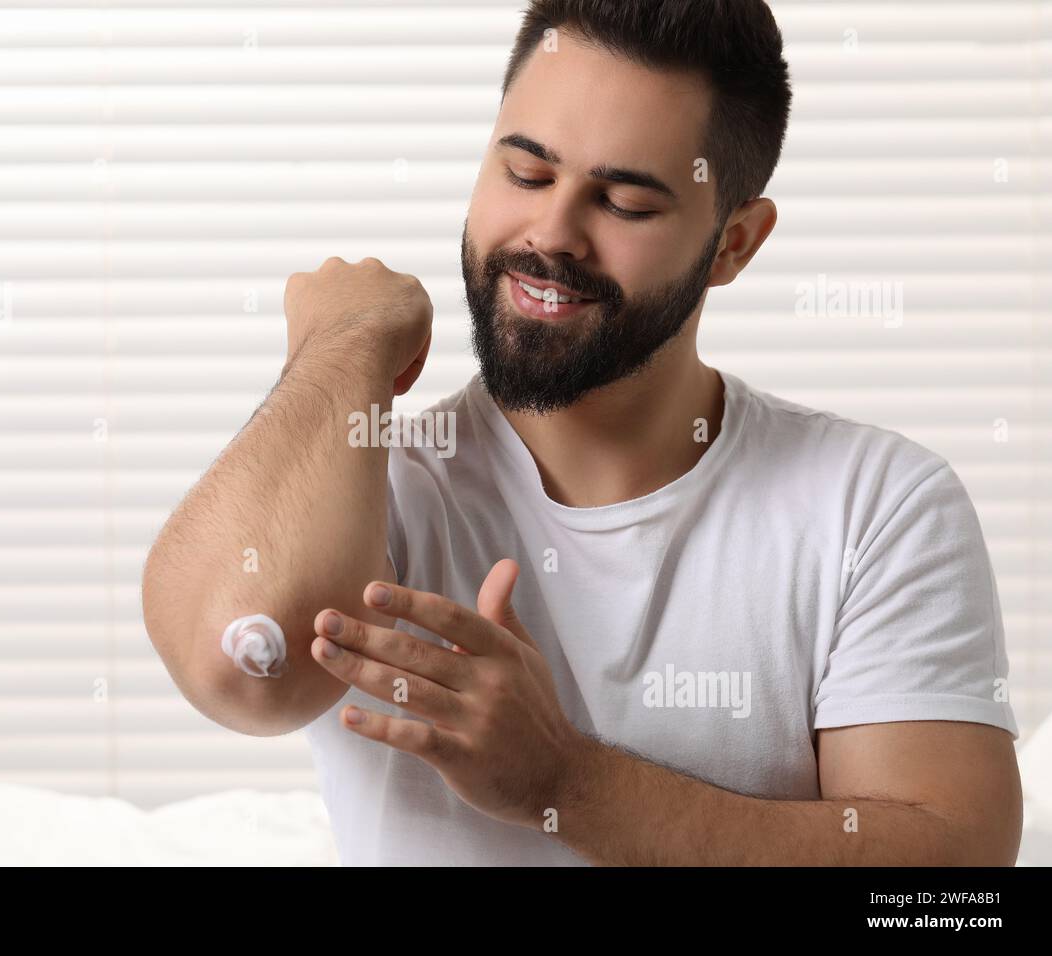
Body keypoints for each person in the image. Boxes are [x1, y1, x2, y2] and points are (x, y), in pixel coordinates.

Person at [142, 0, 1022, 865]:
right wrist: (345, 343)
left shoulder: (875, 507)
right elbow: (238, 671)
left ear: (734, 244)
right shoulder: (377, 490)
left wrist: (565, 783)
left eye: (627, 202)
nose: (552, 236)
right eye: (526, 175)